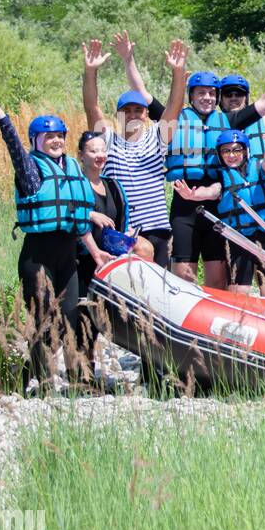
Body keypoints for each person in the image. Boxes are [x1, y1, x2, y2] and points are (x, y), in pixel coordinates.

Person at [0, 86, 101, 391]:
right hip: (38, 257)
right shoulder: (30, 169)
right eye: (48, 137)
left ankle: (28, 375)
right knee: (45, 321)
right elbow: (9, 136)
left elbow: (78, 217)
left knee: (70, 320)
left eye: (60, 135)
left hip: (67, 255)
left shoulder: (73, 167)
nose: (56, 140)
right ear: (36, 141)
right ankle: (45, 385)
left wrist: (98, 251)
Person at [158, 41, 265, 288]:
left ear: (216, 98)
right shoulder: (176, 120)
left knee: (218, 280)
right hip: (184, 208)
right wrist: (173, 72)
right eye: (200, 92)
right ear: (191, 95)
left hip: (218, 209)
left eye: (211, 93)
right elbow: (145, 96)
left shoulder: (229, 121)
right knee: (183, 277)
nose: (207, 97)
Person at [81, 33, 172, 268]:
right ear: (118, 115)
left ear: (146, 115)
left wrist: (178, 74)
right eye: (127, 111)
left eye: (138, 111)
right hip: (127, 229)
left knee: (160, 291)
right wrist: (91, 71)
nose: (132, 115)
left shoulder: (156, 137)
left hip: (159, 228)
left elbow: (174, 108)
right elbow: (91, 107)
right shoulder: (108, 140)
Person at [73, 130, 155, 367]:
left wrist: (127, 236)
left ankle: (147, 367)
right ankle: (82, 374)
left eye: (102, 150)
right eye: (93, 151)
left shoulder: (114, 185)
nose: (99, 155)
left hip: (111, 262)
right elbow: (67, 212)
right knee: (83, 319)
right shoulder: (75, 184)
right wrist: (89, 213)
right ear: (81, 155)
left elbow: (122, 221)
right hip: (83, 259)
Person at [192, 129, 265, 297]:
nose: (231, 155)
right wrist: (194, 195)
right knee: (239, 291)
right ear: (220, 154)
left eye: (236, 150)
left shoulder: (259, 169)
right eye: (226, 151)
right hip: (239, 239)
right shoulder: (222, 178)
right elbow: (212, 192)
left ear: (245, 151)